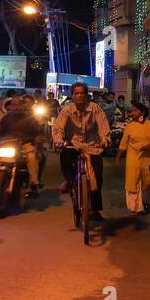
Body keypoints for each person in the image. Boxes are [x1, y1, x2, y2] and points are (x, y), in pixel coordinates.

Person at [52, 82, 111, 220]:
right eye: (76, 93)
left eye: (82, 93)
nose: (79, 96)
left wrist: (105, 139)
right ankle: (69, 181)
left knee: (97, 176)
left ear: (86, 95)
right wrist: (59, 140)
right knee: (65, 157)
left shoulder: (95, 108)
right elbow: (59, 127)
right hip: (74, 145)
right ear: (72, 95)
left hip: (92, 146)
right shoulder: (67, 110)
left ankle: (95, 210)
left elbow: (103, 126)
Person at [114, 101, 150, 215]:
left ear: (142, 112)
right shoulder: (129, 126)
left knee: (148, 182)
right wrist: (118, 157)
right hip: (132, 159)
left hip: (148, 159)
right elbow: (123, 144)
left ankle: (145, 202)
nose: (132, 113)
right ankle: (135, 207)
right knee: (133, 182)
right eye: (131, 111)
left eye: (135, 111)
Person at [0, 89, 44, 195]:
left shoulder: (30, 119)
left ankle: (34, 182)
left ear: (22, 106)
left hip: (25, 145)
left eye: (18, 104)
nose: (15, 107)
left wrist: (37, 140)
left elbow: (37, 132)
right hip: (8, 145)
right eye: (13, 104)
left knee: (31, 158)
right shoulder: (7, 118)